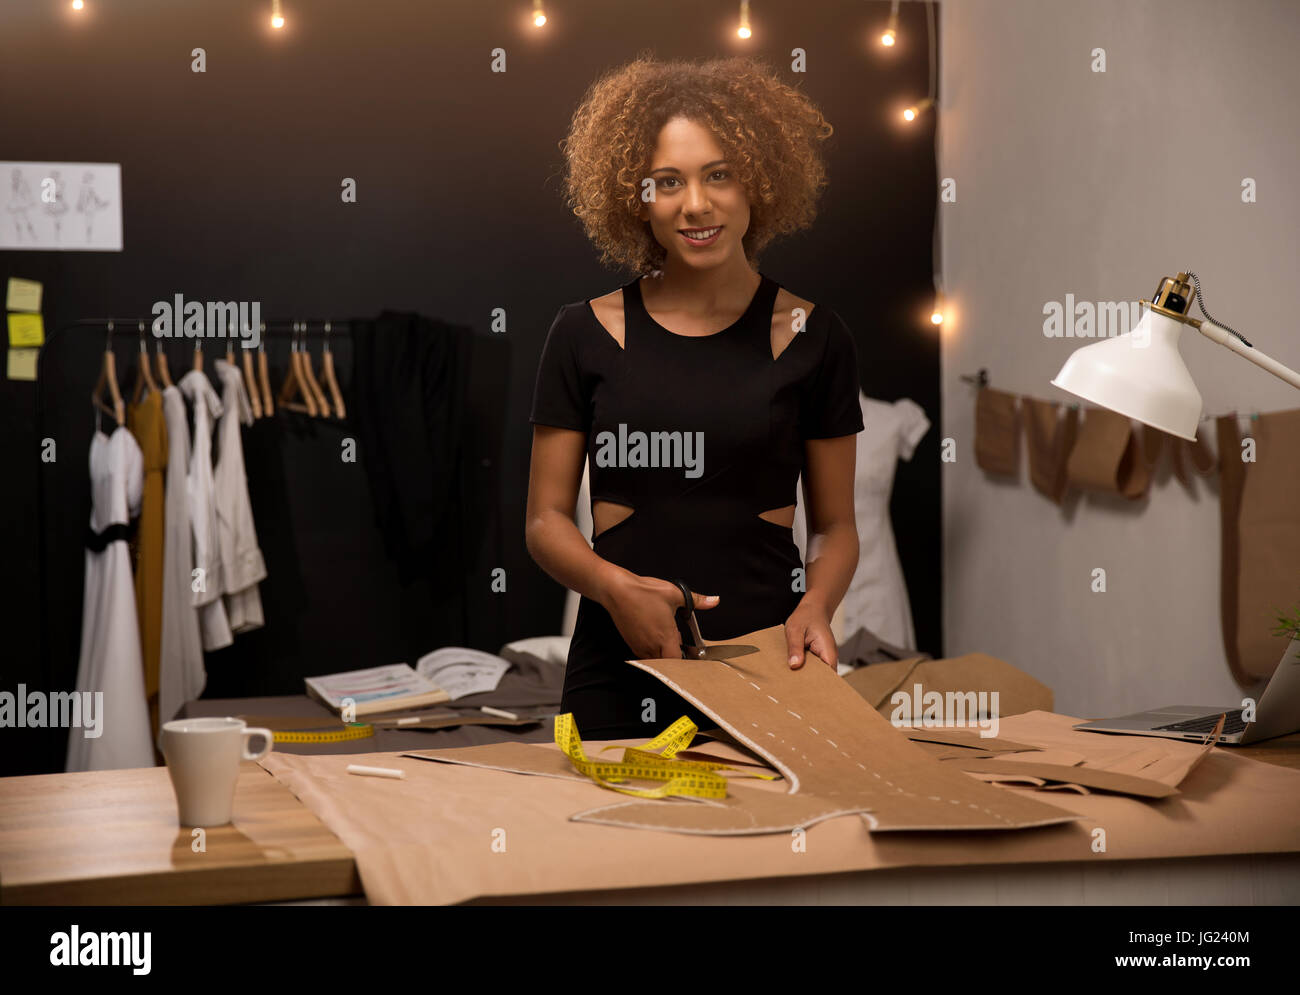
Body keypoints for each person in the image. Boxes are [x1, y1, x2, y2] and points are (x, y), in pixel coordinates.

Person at [526, 54, 863, 741]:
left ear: (758, 184)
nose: (697, 204)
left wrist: (818, 605)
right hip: (619, 657)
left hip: (775, 660)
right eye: (667, 182)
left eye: (719, 175)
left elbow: (835, 524)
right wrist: (616, 589)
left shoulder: (813, 335)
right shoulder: (582, 333)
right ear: (637, 198)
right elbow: (545, 522)